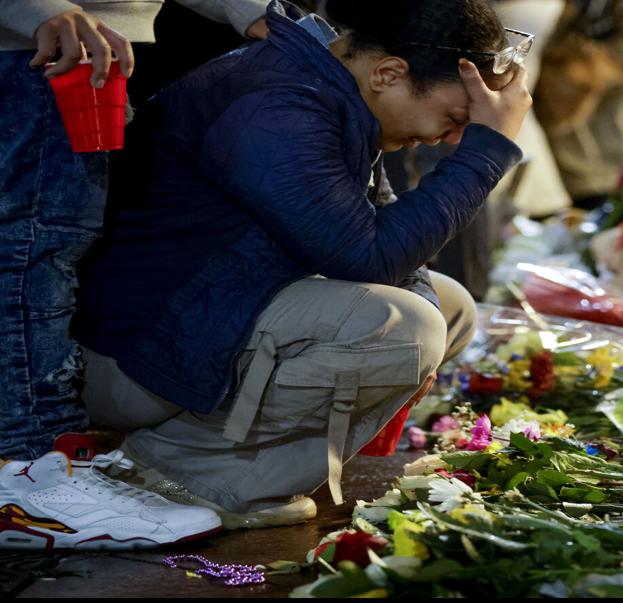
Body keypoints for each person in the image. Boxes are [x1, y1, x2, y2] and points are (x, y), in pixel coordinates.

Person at [25, 0, 529, 548]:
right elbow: (371, 257)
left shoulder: (331, 90)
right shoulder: (278, 104)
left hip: (198, 326)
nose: (451, 139)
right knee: (401, 327)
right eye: (456, 120)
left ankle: (213, 464)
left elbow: (388, 252)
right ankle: (168, 476)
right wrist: (487, 154)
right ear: (388, 73)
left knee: (446, 307)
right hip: (131, 362)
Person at [1, 1, 275, 550]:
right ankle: (27, 474)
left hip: (78, 43)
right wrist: (40, 7)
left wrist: (257, 9)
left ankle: (49, 463)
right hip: (40, 45)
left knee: (48, 247)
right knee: (32, 251)